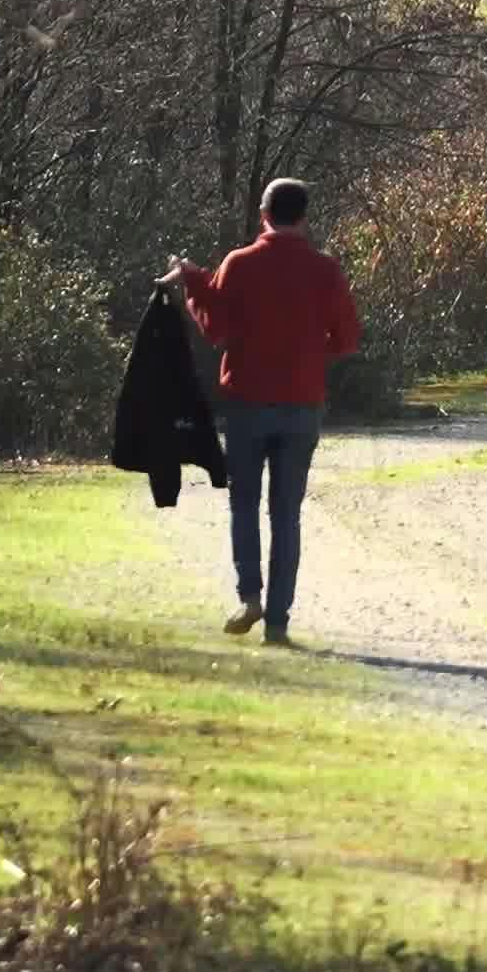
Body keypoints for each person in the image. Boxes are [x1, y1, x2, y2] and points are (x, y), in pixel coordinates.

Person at [165, 177, 362, 645]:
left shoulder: (240, 263)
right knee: (286, 513)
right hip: (302, 405)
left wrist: (192, 279)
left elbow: (216, 327)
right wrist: (314, 352)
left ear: (264, 214)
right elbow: (348, 339)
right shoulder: (326, 271)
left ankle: (248, 594)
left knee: (244, 502)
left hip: (248, 402)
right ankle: (278, 622)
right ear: (305, 217)